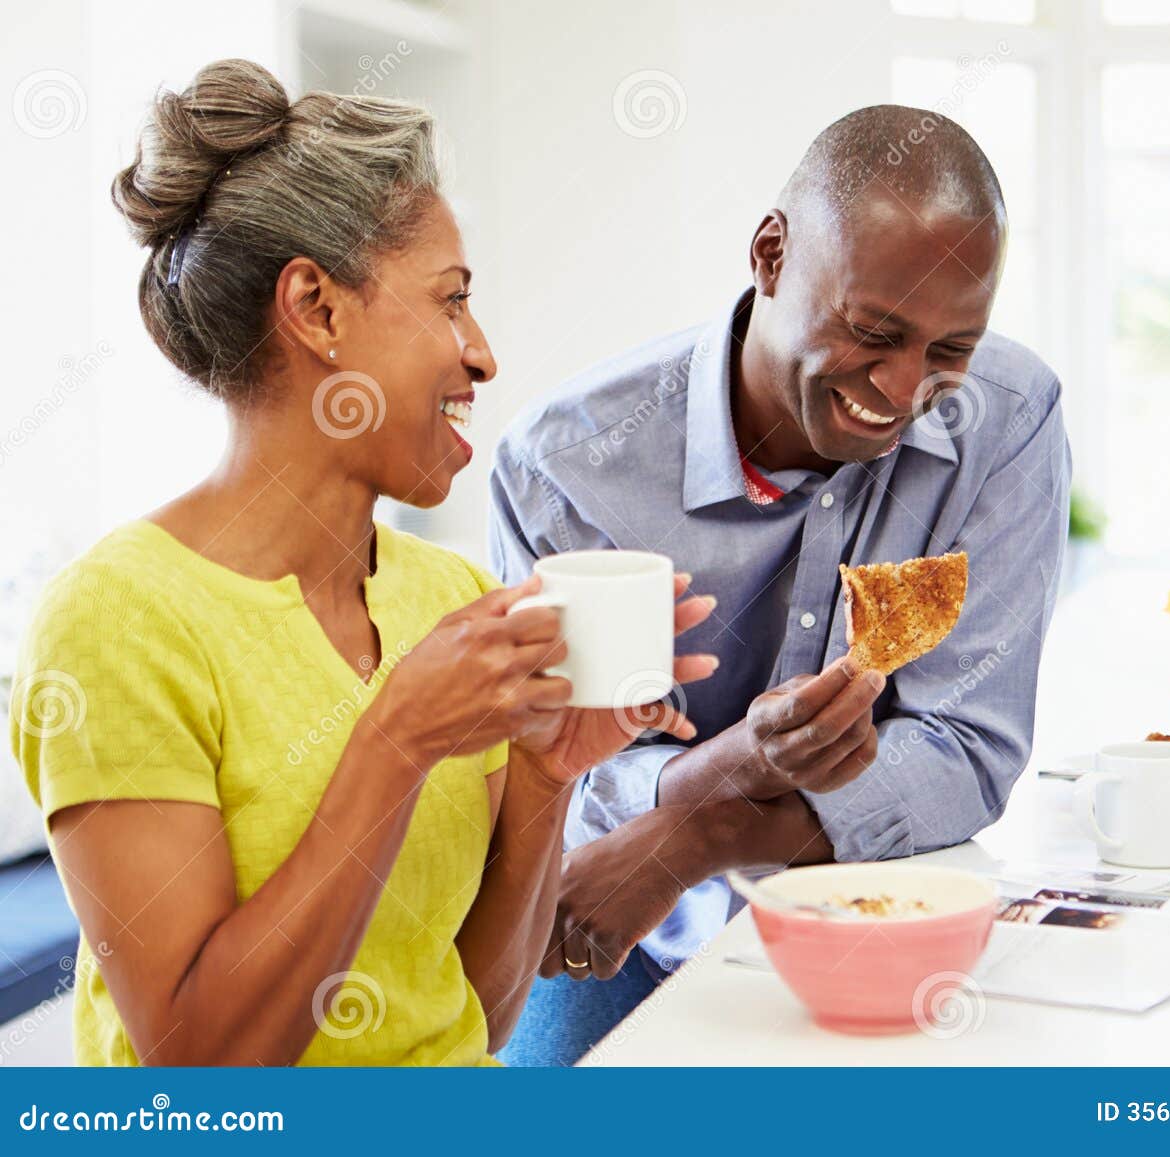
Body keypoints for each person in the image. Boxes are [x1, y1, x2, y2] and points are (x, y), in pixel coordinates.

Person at [6, 59, 715, 1067]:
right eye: (450, 300)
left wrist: (548, 777)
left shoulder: (454, 600)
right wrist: (394, 745)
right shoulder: (118, 619)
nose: (482, 354)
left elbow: (468, 1015)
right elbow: (198, 1072)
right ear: (318, 308)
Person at [489, 105, 1070, 1065]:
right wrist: (728, 772)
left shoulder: (1006, 420)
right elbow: (570, 772)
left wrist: (703, 834)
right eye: (872, 332)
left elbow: (968, 746)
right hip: (627, 924)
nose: (903, 388)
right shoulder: (569, 468)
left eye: (950, 351)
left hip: (874, 911)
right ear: (769, 255)